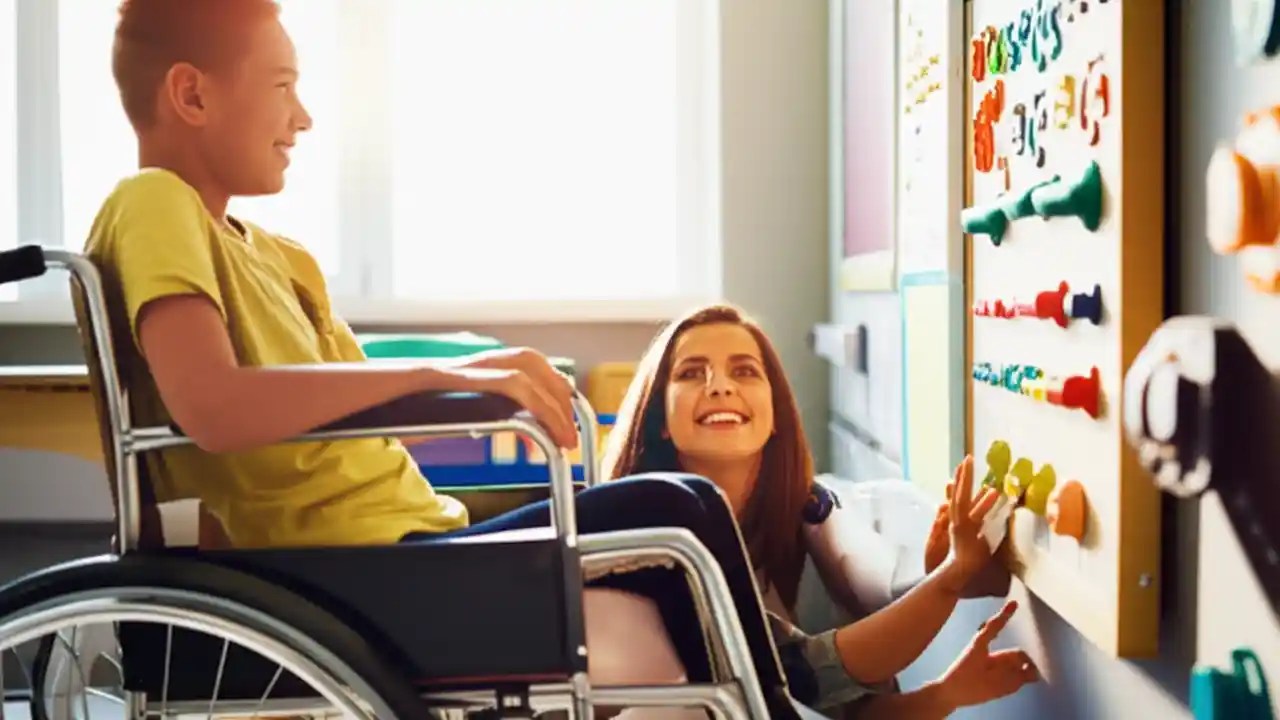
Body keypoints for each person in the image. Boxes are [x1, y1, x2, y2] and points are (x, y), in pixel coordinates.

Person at [86, 2, 812, 717]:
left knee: (666, 527)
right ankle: (792, 695)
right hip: (352, 573)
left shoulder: (284, 258)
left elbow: (356, 409)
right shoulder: (154, 202)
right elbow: (210, 407)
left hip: (415, 543)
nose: (302, 118)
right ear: (191, 94)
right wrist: (442, 374)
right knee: (675, 504)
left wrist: (479, 372)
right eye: (281, 86)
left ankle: (783, 687)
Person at [601, 303, 1042, 717]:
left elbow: (831, 708)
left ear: (775, 413)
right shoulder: (650, 540)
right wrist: (950, 577)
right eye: (691, 373)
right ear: (660, 418)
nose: (720, 385)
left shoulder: (812, 519)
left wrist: (944, 694)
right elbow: (800, 675)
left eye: (745, 370)